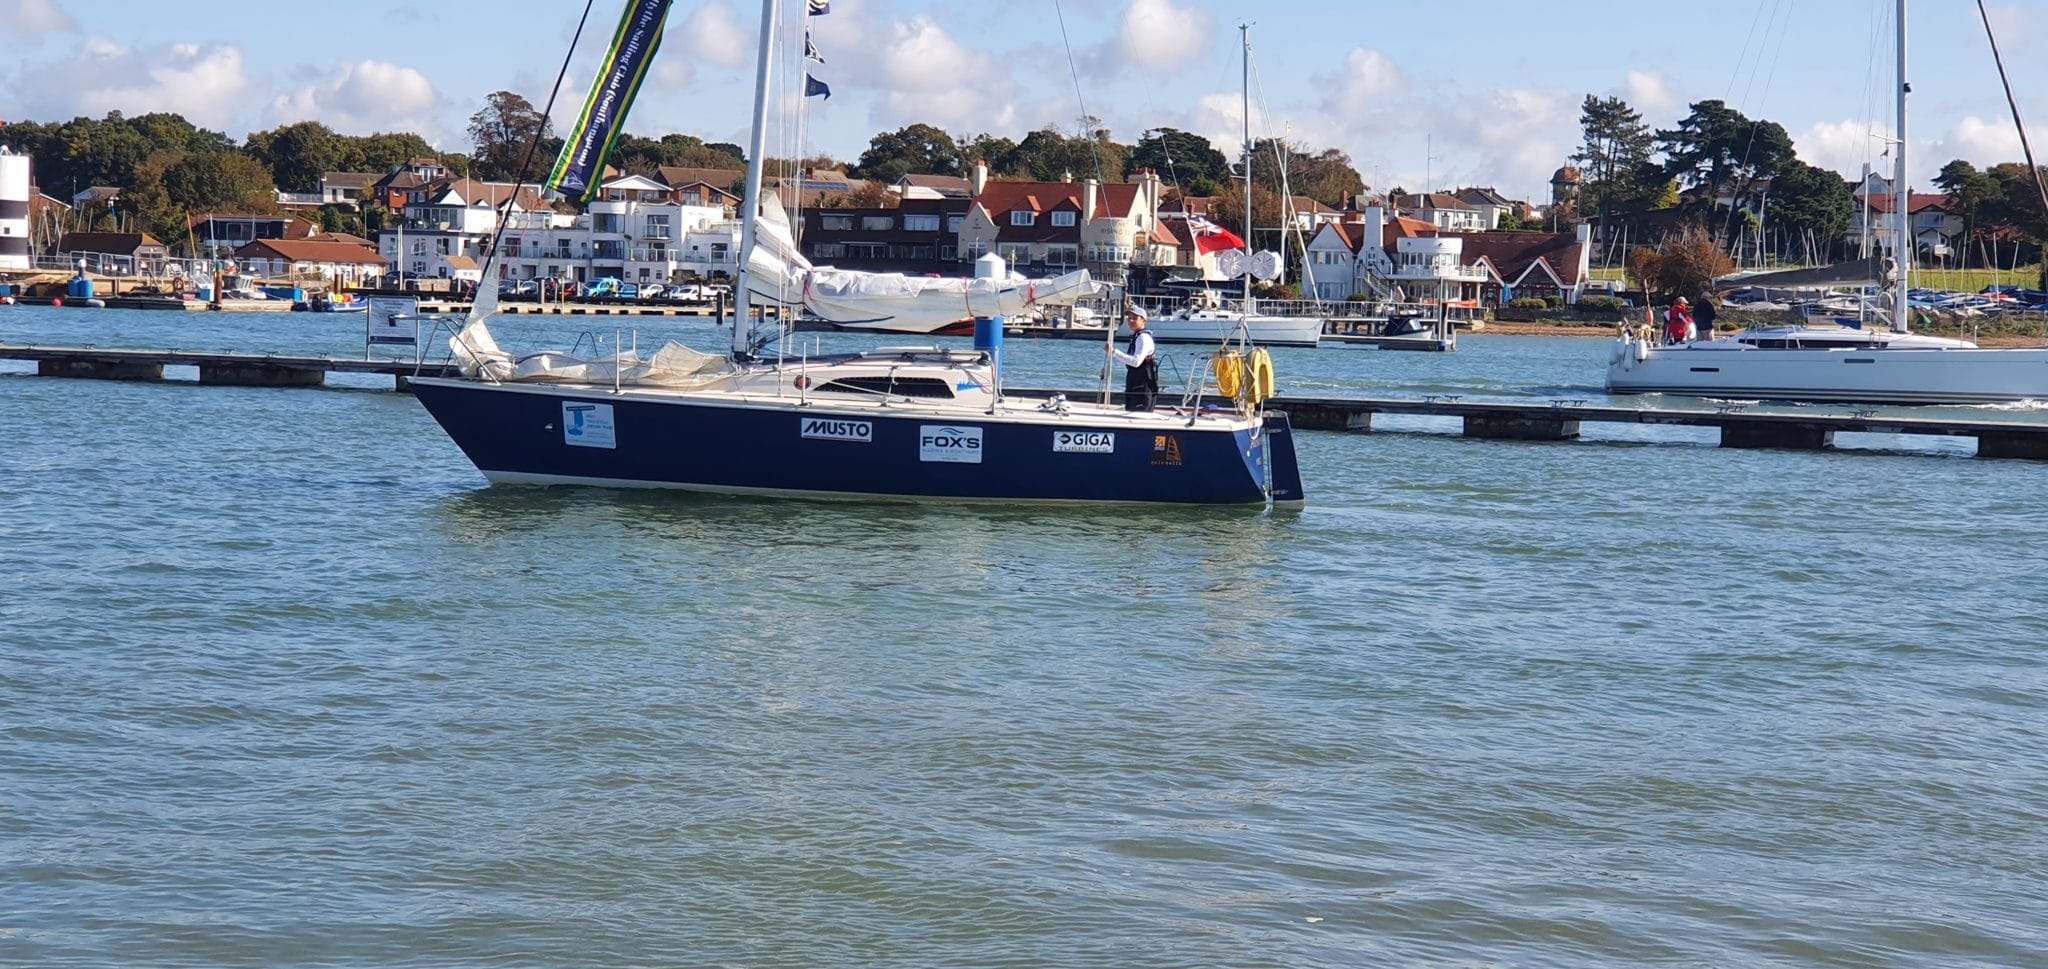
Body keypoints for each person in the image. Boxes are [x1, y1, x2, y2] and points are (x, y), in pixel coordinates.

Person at [1109, 303, 1159, 412]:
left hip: (1142, 389)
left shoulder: (1143, 338)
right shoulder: (1137, 337)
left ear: (1143, 320)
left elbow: (1136, 362)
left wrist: (1114, 352)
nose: (1130, 321)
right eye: (1129, 318)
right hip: (1135, 385)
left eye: (1135, 318)